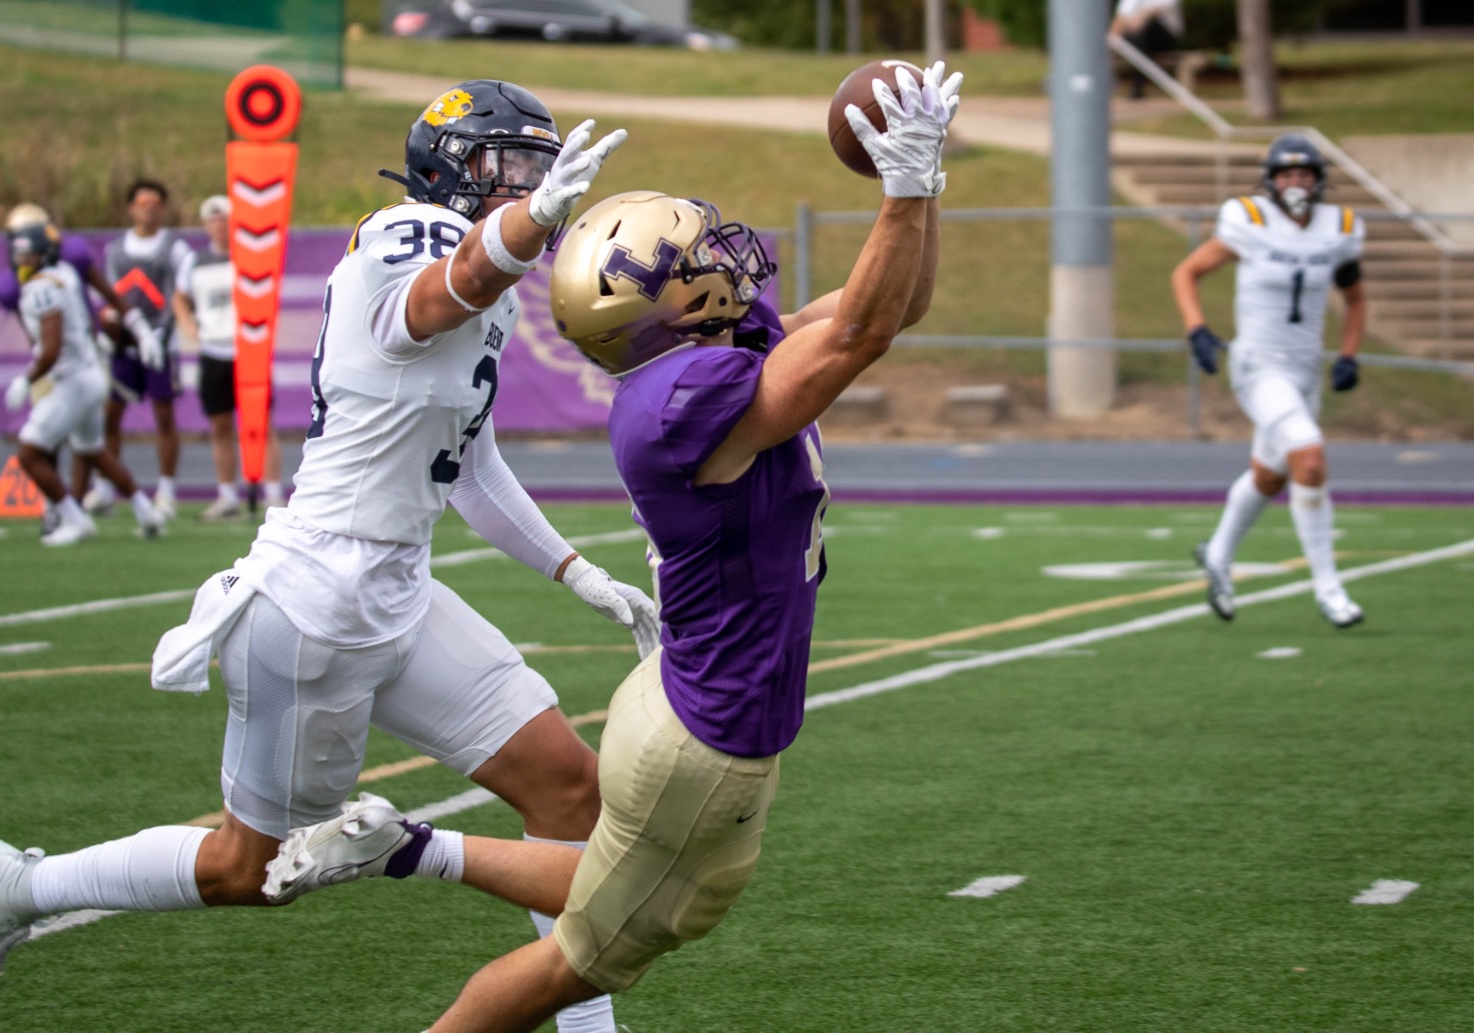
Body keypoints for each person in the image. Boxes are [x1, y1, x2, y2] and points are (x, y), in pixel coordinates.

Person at [259, 63, 955, 1033]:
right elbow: (861, 338)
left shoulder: (696, 358)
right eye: (690, 251)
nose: (717, 250)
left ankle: (401, 844)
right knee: (574, 962)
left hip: (681, 707)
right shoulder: (677, 408)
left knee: (612, 890)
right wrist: (904, 186)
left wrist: (919, 192)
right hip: (702, 737)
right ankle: (405, 865)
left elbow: (875, 312)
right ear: (655, 302)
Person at [0, 82, 656, 1033]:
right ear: (451, 168)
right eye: (513, 167)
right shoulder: (405, 234)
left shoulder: (496, 274)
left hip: (400, 590)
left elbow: (469, 465)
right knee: (254, 869)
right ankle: (23, 885)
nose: (530, 184)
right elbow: (428, 304)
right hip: (314, 599)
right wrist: (531, 222)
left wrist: (579, 574)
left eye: (539, 168)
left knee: (568, 784)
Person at [1173, 134, 1368, 629]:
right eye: (1287, 174)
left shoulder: (1339, 227)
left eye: (1304, 174)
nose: (1296, 183)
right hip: (1259, 365)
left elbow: (1357, 298)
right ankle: (1329, 588)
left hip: (1304, 370)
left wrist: (1348, 354)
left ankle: (1217, 555)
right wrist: (1196, 328)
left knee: (1270, 476)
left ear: (1319, 180)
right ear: (1271, 181)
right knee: (1311, 459)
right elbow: (1187, 272)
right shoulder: (1250, 219)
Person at [0, 220, 164, 546]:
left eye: (26, 253)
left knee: (29, 452)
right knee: (93, 451)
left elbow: (51, 348)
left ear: (43, 254)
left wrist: (26, 378)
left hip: (72, 378)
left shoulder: (42, 287)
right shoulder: (66, 273)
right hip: (91, 373)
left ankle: (74, 519)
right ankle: (146, 511)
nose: (20, 258)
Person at [172, 194, 284, 520]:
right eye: (213, 220)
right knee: (220, 424)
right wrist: (188, 324)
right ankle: (226, 494)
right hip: (213, 350)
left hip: (248, 350)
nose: (219, 226)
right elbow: (180, 297)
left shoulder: (251, 256)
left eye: (224, 219)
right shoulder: (195, 261)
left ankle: (273, 493)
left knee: (260, 423)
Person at [88, 179, 194, 520]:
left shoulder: (176, 249)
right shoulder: (117, 250)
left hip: (161, 342)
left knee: (163, 414)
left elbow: (179, 298)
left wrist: (159, 336)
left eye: (155, 202)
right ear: (131, 207)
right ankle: (105, 487)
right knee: (112, 413)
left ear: (163, 208)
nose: (148, 208)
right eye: (142, 202)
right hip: (124, 343)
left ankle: (166, 489)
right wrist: (110, 327)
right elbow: (112, 294)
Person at [1108, 0, 1183, 98]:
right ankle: (1130, 86)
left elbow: (1158, 10)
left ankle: (1137, 86)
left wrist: (1140, 17)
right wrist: (1110, 40)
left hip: (1165, 37)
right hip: (1138, 38)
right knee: (1133, 36)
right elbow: (1121, 18)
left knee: (1142, 29)